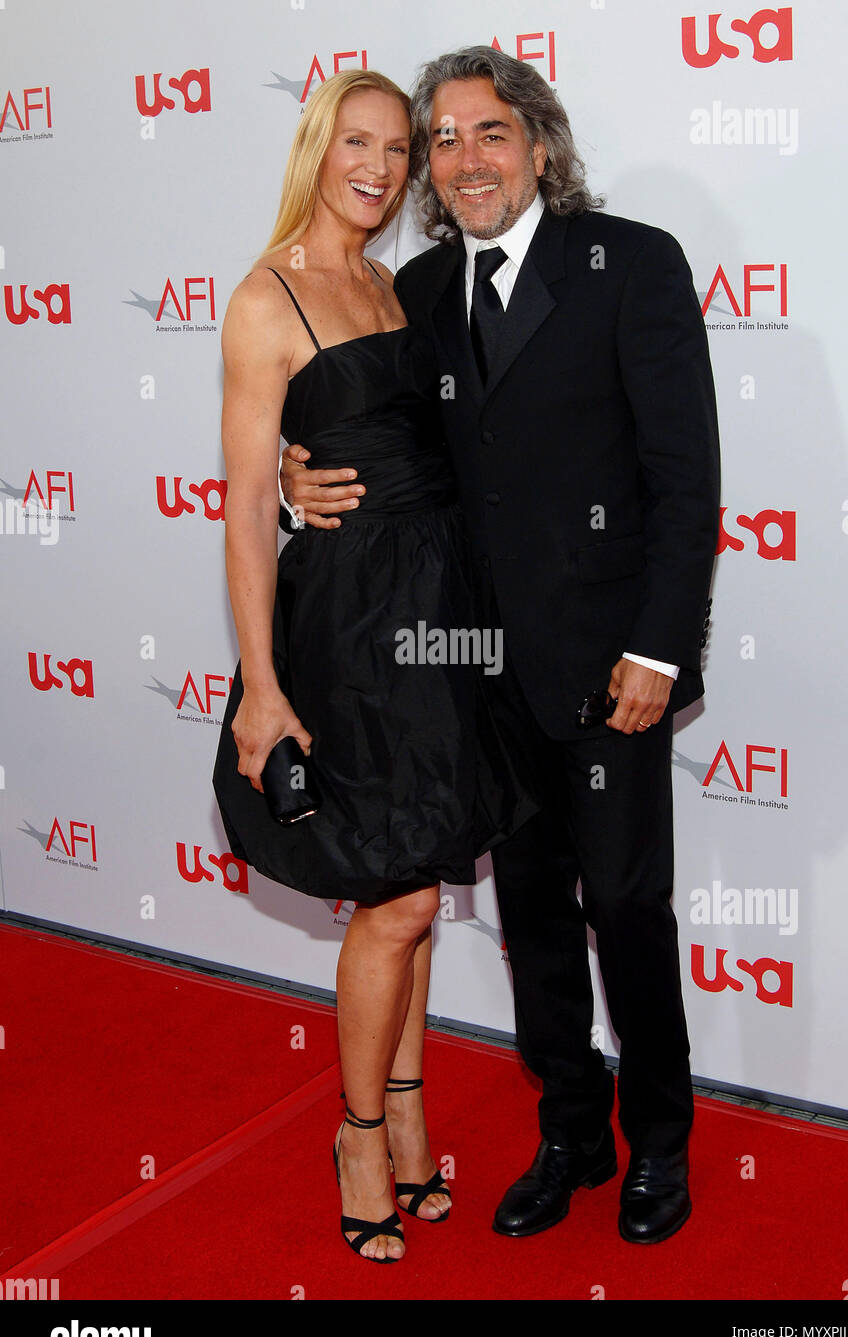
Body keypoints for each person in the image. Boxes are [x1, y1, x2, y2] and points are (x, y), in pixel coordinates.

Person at [280, 46, 721, 1245]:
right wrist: (289, 471)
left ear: (537, 142)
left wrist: (659, 651)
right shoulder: (415, 291)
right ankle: (572, 1130)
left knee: (628, 910)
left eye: (488, 133)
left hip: (607, 671)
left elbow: (687, 484)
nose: (463, 160)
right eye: (441, 140)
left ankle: (660, 1147)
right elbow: (365, 431)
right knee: (530, 921)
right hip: (473, 676)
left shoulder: (629, 265)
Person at [211, 68, 536, 1265]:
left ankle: (405, 1117)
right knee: (394, 896)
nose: (383, 166)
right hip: (345, 630)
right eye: (359, 142)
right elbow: (248, 510)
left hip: (436, 612)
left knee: (418, 875)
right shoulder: (266, 299)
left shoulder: (397, 289)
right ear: (318, 147)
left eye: (400, 148)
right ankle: (357, 1135)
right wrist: (263, 688)